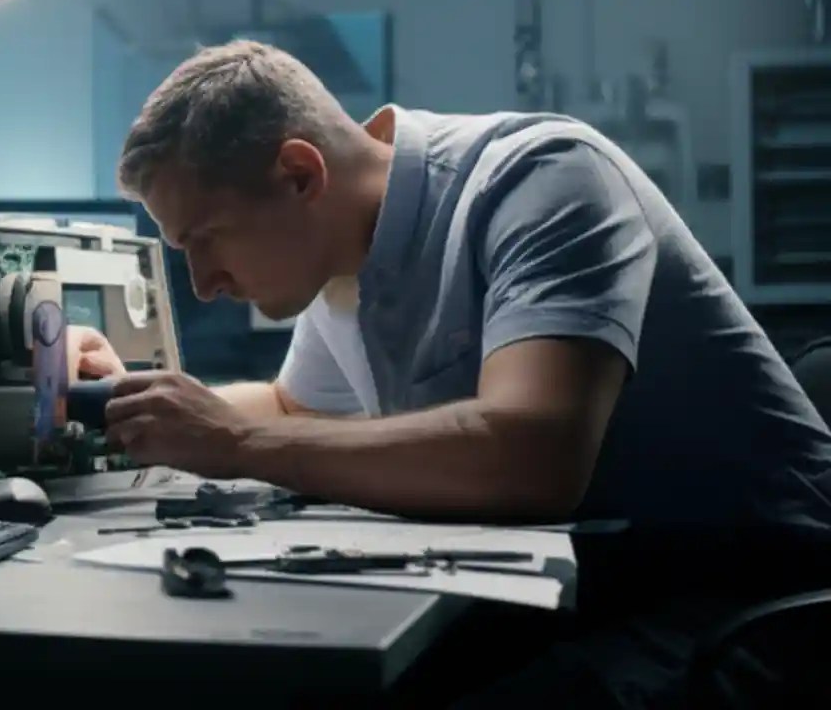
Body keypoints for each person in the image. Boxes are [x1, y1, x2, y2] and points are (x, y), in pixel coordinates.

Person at [70, 40, 831, 707]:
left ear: (301, 175)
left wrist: (233, 441)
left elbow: (532, 455)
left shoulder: (543, 179)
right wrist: (135, 396)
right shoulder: (344, 259)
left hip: (759, 597)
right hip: (613, 575)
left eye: (205, 238)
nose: (202, 282)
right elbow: (285, 409)